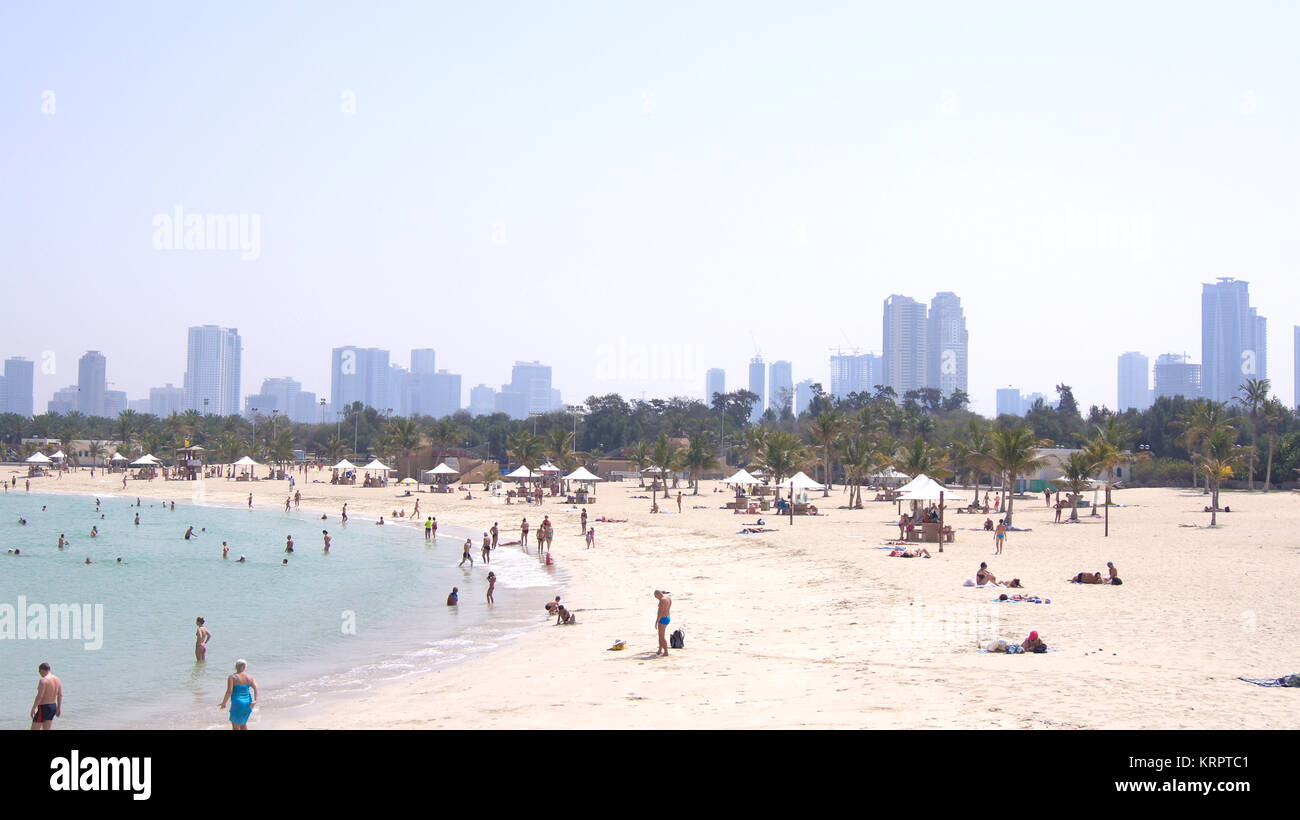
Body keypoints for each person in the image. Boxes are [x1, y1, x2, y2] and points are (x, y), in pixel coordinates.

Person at [219, 659, 258, 730]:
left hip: (237, 703)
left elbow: (229, 691)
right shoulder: (250, 677)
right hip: (248, 702)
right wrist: (255, 700)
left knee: (235, 727)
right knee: (243, 724)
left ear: (236, 667)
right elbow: (256, 688)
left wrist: (224, 703)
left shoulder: (232, 677)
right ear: (244, 667)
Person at [30, 663, 62, 730]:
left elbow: (40, 696)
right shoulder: (57, 679)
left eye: (39, 672)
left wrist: (33, 708)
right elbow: (60, 695)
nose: (39, 674)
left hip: (43, 707)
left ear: (42, 670)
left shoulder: (43, 680)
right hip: (53, 707)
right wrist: (59, 708)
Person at [654, 590, 673, 656]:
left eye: (656, 597)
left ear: (658, 595)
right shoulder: (668, 598)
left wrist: (656, 621)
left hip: (663, 619)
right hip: (668, 617)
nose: (657, 598)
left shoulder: (662, 600)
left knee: (662, 636)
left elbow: (660, 612)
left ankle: (666, 651)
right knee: (660, 635)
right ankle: (660, 649)